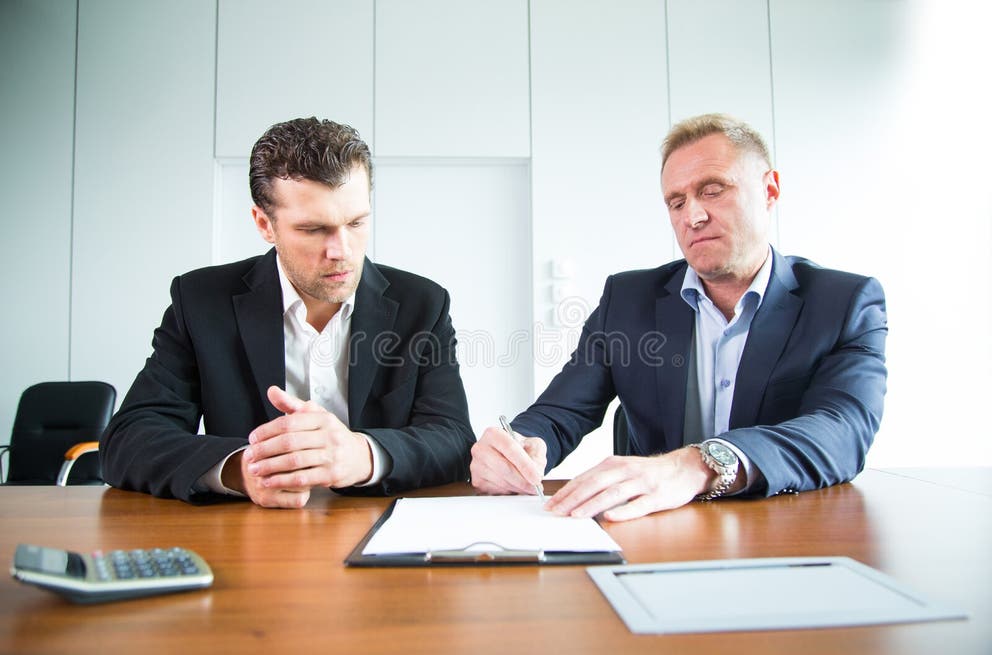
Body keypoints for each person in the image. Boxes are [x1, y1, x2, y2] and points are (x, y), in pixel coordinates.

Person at [470, 113, 887, 521]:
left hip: (785, 530)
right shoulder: (628, 299)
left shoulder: (844, 302)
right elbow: (561, 412)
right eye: (677, 201)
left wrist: (696, 465)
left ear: (770, 191)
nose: (693, 216)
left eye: (712, 190)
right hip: (654, 536)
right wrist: (519, 445)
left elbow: (842, 430)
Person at [101, 117, 474, 508]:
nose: (341, 251)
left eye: (356, 222)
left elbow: (452, 439)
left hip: (380, 534)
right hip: (250, 540)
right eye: (314, 229)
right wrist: (242, 470)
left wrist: (361, 455)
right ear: (265, 224)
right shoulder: (200, 301)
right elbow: (128, 440)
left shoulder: (423, 304)